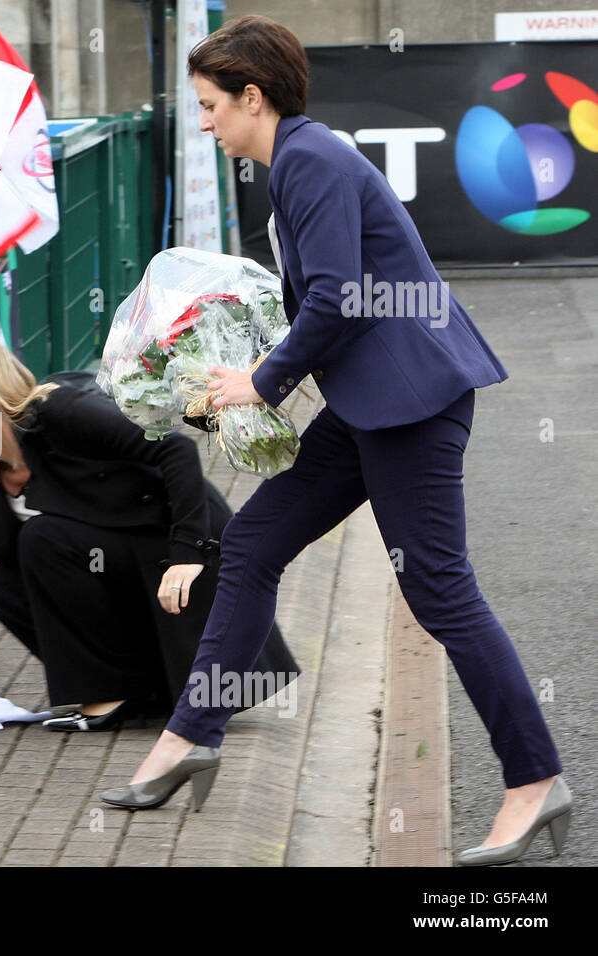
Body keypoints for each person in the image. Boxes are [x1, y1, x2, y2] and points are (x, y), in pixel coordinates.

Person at [100, 15, 571, 867]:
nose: (204, 123)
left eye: (211, 106)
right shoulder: (299, 160)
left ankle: (534, 780)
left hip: (411, 403)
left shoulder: (309, 160)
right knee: (250, 540)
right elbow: (322, 297)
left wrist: (261, 381)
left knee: (439, 591)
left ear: (254, 96)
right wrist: (241, 362)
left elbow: (340, 300)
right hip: (369, 406)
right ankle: (191, 736)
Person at [0, 338, 299, 729]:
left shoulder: (58, 413)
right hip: (127, 570)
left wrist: (187, 552)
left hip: (179, 552)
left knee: (42, 541)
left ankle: (115, 696)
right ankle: (132, 690)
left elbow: (175, 450)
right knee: (2, 584)